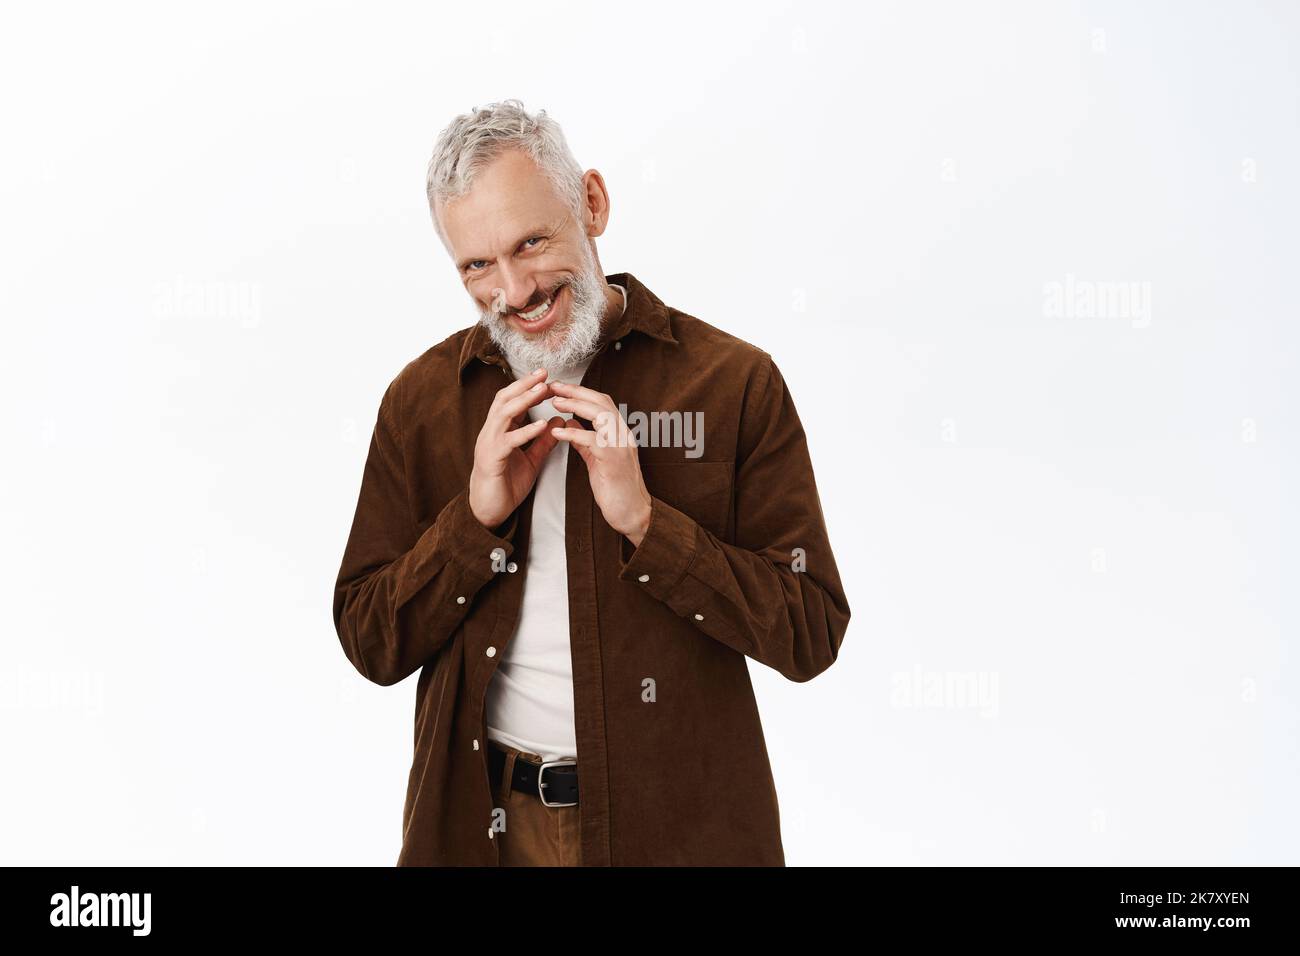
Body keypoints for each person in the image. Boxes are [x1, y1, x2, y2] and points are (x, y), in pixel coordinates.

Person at [333, 99, 851, 866]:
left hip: (676, 836)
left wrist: (649, 525)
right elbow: (371, 641)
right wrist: (472, 524)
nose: (513, 290)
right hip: (485, 829)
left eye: (531, 242)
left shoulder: (733, 383)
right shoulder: (422, 401)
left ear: (593, 204)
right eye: (476, 264)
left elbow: (811, 632)